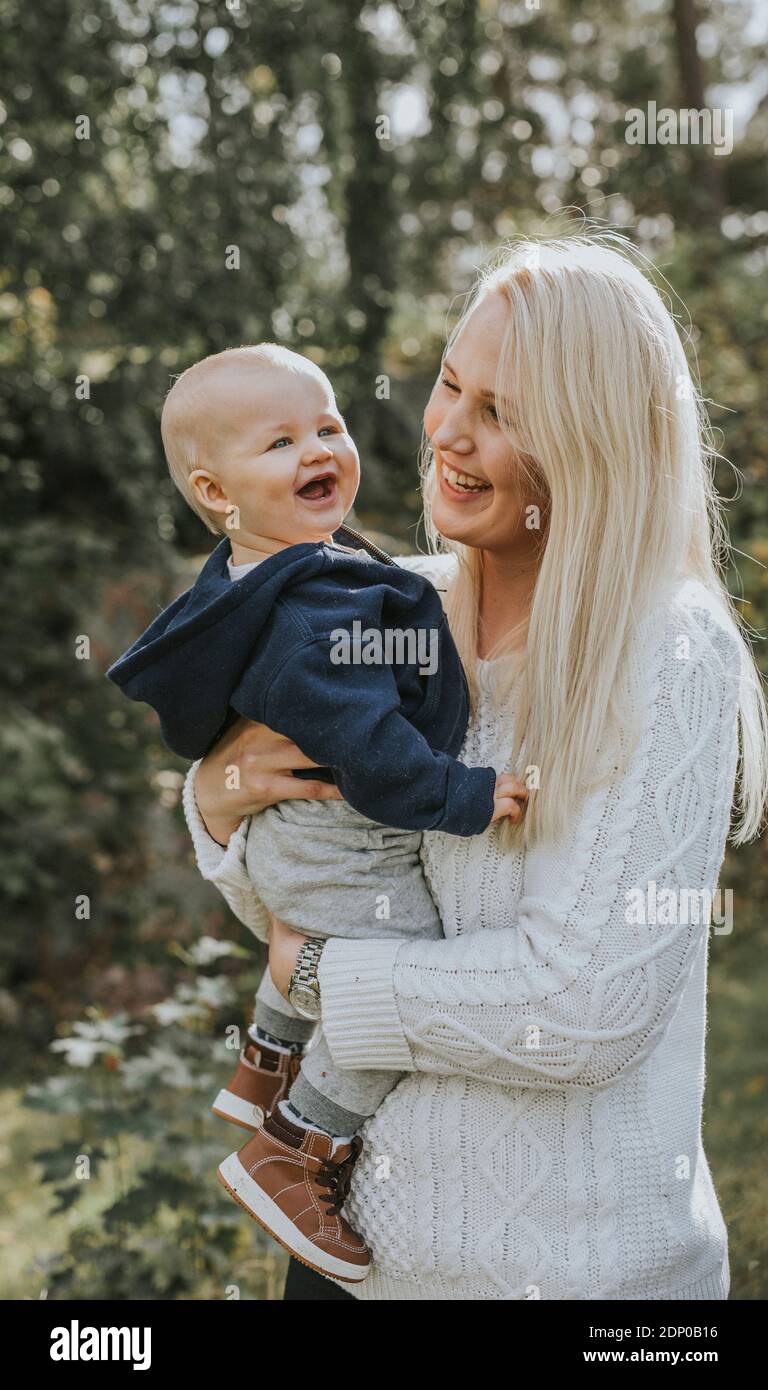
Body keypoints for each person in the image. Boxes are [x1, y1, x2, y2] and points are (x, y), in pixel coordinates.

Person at [186, 234, 768, 1301]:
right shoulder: (385, 612)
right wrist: (216, 802)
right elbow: (320, 880)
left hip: (574, 1280)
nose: (448, 431)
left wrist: (317, 976)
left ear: (591, 444)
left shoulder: (664, 648)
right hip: (343, 1259)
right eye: (452, 383)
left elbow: (585, 1005)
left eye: (502, 412)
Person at [106, 343, 526, 1284]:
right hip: (339, 845)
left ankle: (263, 1056)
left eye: (329, 426)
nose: (319, 449)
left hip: (297, 844)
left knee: (338, 949)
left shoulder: (281, 576)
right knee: (397, 976)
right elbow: (373, 761)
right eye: (281, 441)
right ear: (217, 491)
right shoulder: (319, 611)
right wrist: (465, 794)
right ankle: (298, 1142)